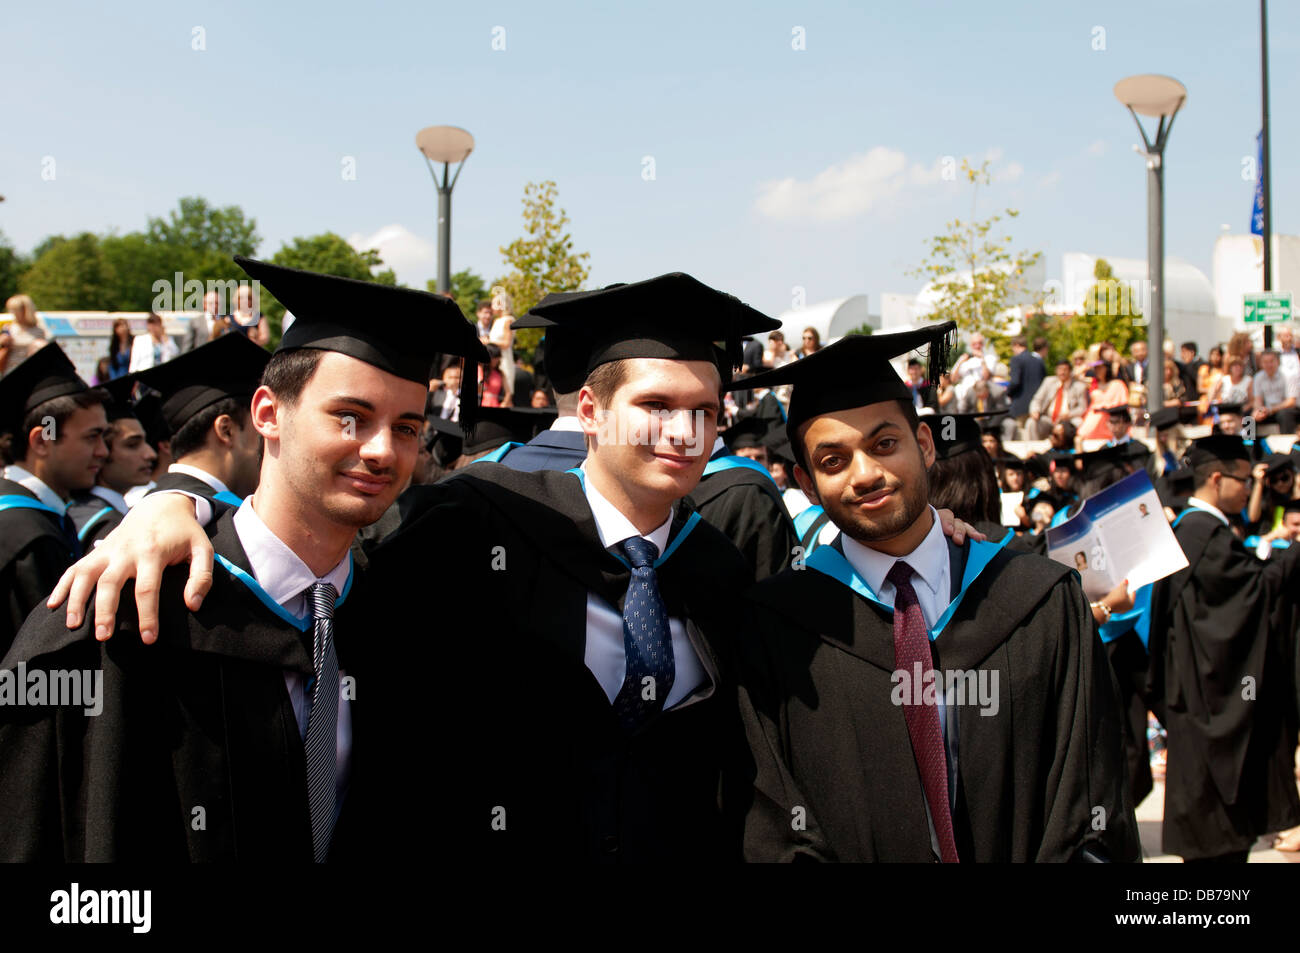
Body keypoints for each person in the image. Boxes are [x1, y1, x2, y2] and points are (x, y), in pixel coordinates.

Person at [0, 256, 487, 862]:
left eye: (407, 427)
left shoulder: (397, 614)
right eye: (349, 417)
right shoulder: (126, 613)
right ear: (266, 415)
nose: (383, 451)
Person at [729, 326, 1138, 862]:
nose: (866, 474)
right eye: (833, 461)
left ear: (924, 445)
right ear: (807, 484)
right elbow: (776, 832)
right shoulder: (778, 629)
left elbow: (1090, 801)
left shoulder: (1041, 600)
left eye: (884, 444)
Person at [1147, 434, 1300, 863]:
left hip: (1192, 706)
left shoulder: (1189, 533)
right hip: (1209, 716)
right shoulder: (1206, 536)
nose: (1250, 488)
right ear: (1217, 479)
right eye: (1244, 480)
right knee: (1218, 851)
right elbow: (1255, 597)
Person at [0, 345, 108, 659]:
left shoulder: (24, 517)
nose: (103, 451)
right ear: (42, 440)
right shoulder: (30, 535)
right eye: (92, 436)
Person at [135, 334, 270, 506]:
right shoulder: (217, 521)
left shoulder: (144, 506)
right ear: (226, 430)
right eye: (258, 425)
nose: (266, 441)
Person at [65, 377, 156, 547]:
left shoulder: (77, 512)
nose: (150, 454)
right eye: (132, 445)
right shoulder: (107, 526)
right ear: (101, 452)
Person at [1028, 359, 1089, 438]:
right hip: (1048, 418)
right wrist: (1035, 411)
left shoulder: (1079, 386)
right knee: (1031, 422)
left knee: (1078, 422)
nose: (1062, 372)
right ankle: (1034, 447)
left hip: (1068, 419)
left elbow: (1082, 408)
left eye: (1065, 370)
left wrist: (1069, 414)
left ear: (1070, 371)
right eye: (1059, 369)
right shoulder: (1048, 382)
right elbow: (1037, 399)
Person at [1078, 360, 1129, 441]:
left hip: (1112, 416)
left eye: (1100, 368)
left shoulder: (1117, 384)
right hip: (1093, 416)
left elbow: (1123, 404)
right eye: (1096, 368)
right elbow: (1076, 376)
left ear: (1107, 369)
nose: (1097, 371)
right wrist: (1085, 367)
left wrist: (1105, 410)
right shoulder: (1094, 385)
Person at [1006, 335, 1046, 438]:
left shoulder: (1016, 360)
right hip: (1037, 406)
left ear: (1016, 345)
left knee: (1023, 437)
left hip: (1020, 406)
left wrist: (1007, 392)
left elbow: (1015, 381)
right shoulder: (1038, 360)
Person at [1252, 349, 1299, 434]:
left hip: (1286, 409)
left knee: (1284, 414)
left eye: (1271, 361)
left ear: (1278, 361)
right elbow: (1257, 399)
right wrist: (1258, 410)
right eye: (1265, 362)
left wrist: (1270, 410)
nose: (1268, 365)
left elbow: (1291, 402)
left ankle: (1286, 444)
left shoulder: (1289, 375)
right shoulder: (1258, 377)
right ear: (1261, 363)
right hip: (1267, 410)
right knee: (1248, 416)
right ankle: (1249, 444)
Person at [0, 294, 48, 376]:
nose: (12, 313)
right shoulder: (8, 328)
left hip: (30, 371)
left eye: (15, 310)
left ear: (25, 310)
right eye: (11, 310)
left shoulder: (38, 331)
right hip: (10, 371)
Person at [1197, 346, 1224, 422]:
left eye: (1218, 355)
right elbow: (1200, 388)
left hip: (1218, 401)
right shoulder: (1204, 369)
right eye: (1213, 354)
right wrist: (1212, 390)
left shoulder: (1223, 370)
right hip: (1205, 402)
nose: (1215, 357)